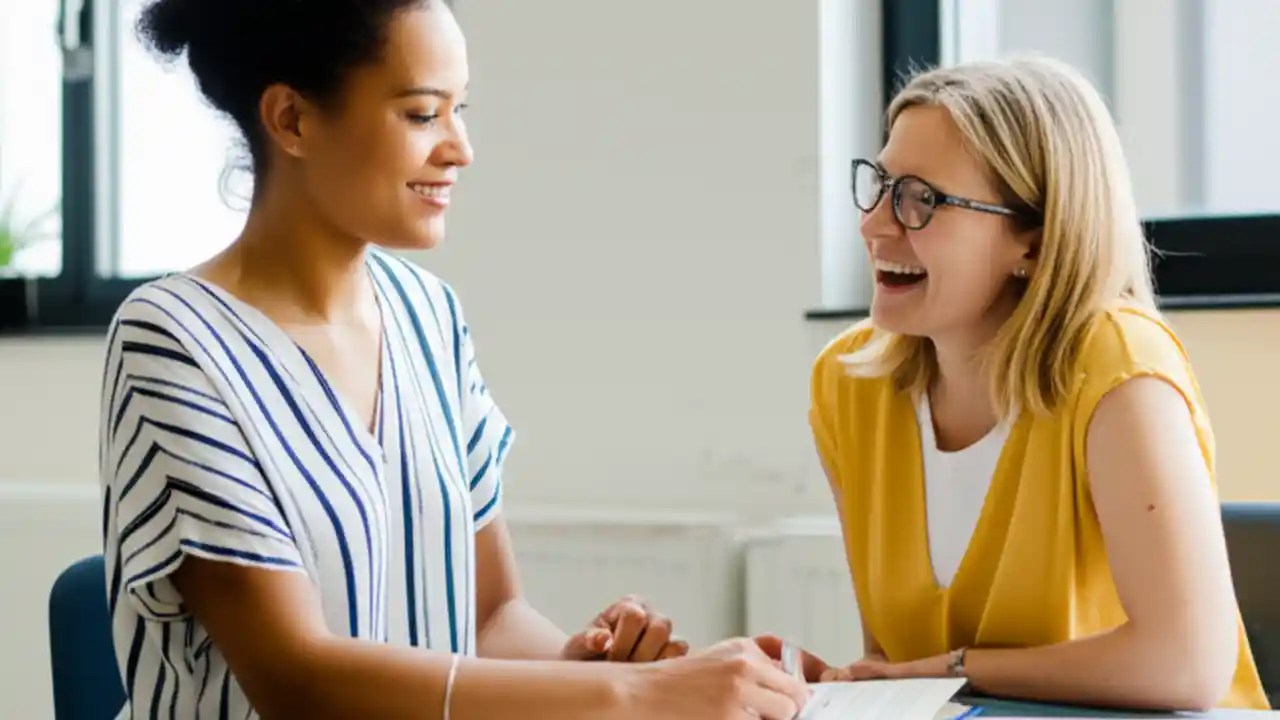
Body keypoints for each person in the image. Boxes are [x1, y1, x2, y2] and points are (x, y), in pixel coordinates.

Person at [98, 1, 809, 718]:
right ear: (291, 120)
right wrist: (626, 696)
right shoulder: (172, 340)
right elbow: (294, 678)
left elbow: (490, 617)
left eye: (459, 109)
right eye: (420, 114)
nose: (460, 148)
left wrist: (579, 663)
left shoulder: (429, 316)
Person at [796, 56, 1270, 711]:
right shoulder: (847, 384)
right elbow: (896, 663)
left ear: (1035, 242)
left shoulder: (1118, 367)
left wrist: (953, 667)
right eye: (878, 185)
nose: (875, 223)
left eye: (919, 200)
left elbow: (1185, 667)